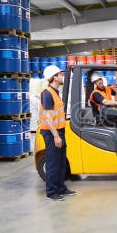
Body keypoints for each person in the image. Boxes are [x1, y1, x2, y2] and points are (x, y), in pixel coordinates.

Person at [38, 65, 75, 201]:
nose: (62, 76)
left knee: (61, 162)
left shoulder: (55, 92)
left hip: (59, 130)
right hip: (51, 133)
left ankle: (61, 188)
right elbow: (48, 117)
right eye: (60, 74)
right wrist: (56, 136)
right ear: (54, 77)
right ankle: (51, 192)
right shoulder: (47, 93)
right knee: (53, 163)